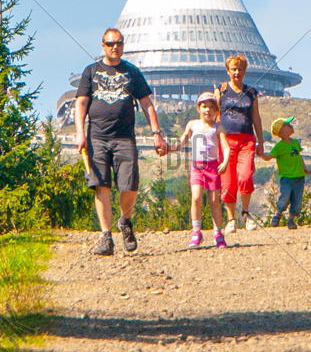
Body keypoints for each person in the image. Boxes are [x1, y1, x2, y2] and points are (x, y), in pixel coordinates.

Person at [74, 28, 169, 255]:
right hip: (97, 138)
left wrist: (157, 133)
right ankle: (106, 237)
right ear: (102, 46)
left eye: (118, 43)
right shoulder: (91, 72)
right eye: (110, 44)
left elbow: (146, 104)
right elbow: (80, 104)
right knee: (101, 185)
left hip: (125, 138)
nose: (114, 47)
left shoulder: (132, 72)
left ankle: (125, 221)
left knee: (129, 186)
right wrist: (80, 133)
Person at [215, 54, 264, 231]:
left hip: (246, 140)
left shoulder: (251, 92)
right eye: (234, 69)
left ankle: (245, 212)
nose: (237, 72)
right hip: (226, 141)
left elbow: (256, 118)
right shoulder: (221, 90)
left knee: (245, 175)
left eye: (240, 69)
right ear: (228, 71)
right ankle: (230, 219)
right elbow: (214, 116)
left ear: (245, 71)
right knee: (228, 181)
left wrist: (261, 142)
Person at [177, 92, 230, 249]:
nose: (208, 110)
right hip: (197, 166)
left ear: (216, 111)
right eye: (204, 106)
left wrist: (225, 161)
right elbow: (182, 140)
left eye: (211, 108)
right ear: (198, 108)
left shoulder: (218, 127)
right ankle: (196, 232)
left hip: (213, 166)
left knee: (214, 201)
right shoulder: (193, 124)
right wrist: (169, 147)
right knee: (196, 198)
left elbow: (226, 147)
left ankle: (218, 233)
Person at [259, 116, 311, 228]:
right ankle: (278, 214)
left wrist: (305, 168)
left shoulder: (295, 143)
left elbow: (299, 157)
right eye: (288, 125)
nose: (291, 126)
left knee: (297, 200)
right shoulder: (279, 147)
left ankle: (291, 220)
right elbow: (269, 157)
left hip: (299, 177)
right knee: (285, 197)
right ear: (281, 131)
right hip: (287, 178)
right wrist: (261, 154)